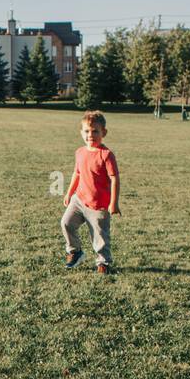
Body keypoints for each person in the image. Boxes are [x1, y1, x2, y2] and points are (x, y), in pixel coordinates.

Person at [61, 110, 120, 274]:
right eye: (87, 131)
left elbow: (114, 179)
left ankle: (103, 263)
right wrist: (69, 193)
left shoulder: (106, 155)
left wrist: (113, 203)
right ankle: (75, 251)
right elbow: (77, 173)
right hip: (79, 200)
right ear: (81, 132)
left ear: (104, 133)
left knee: (100, 237)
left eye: (95, 131)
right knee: (66, 223)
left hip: (99, 205)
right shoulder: (79, 152)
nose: (90, 135)